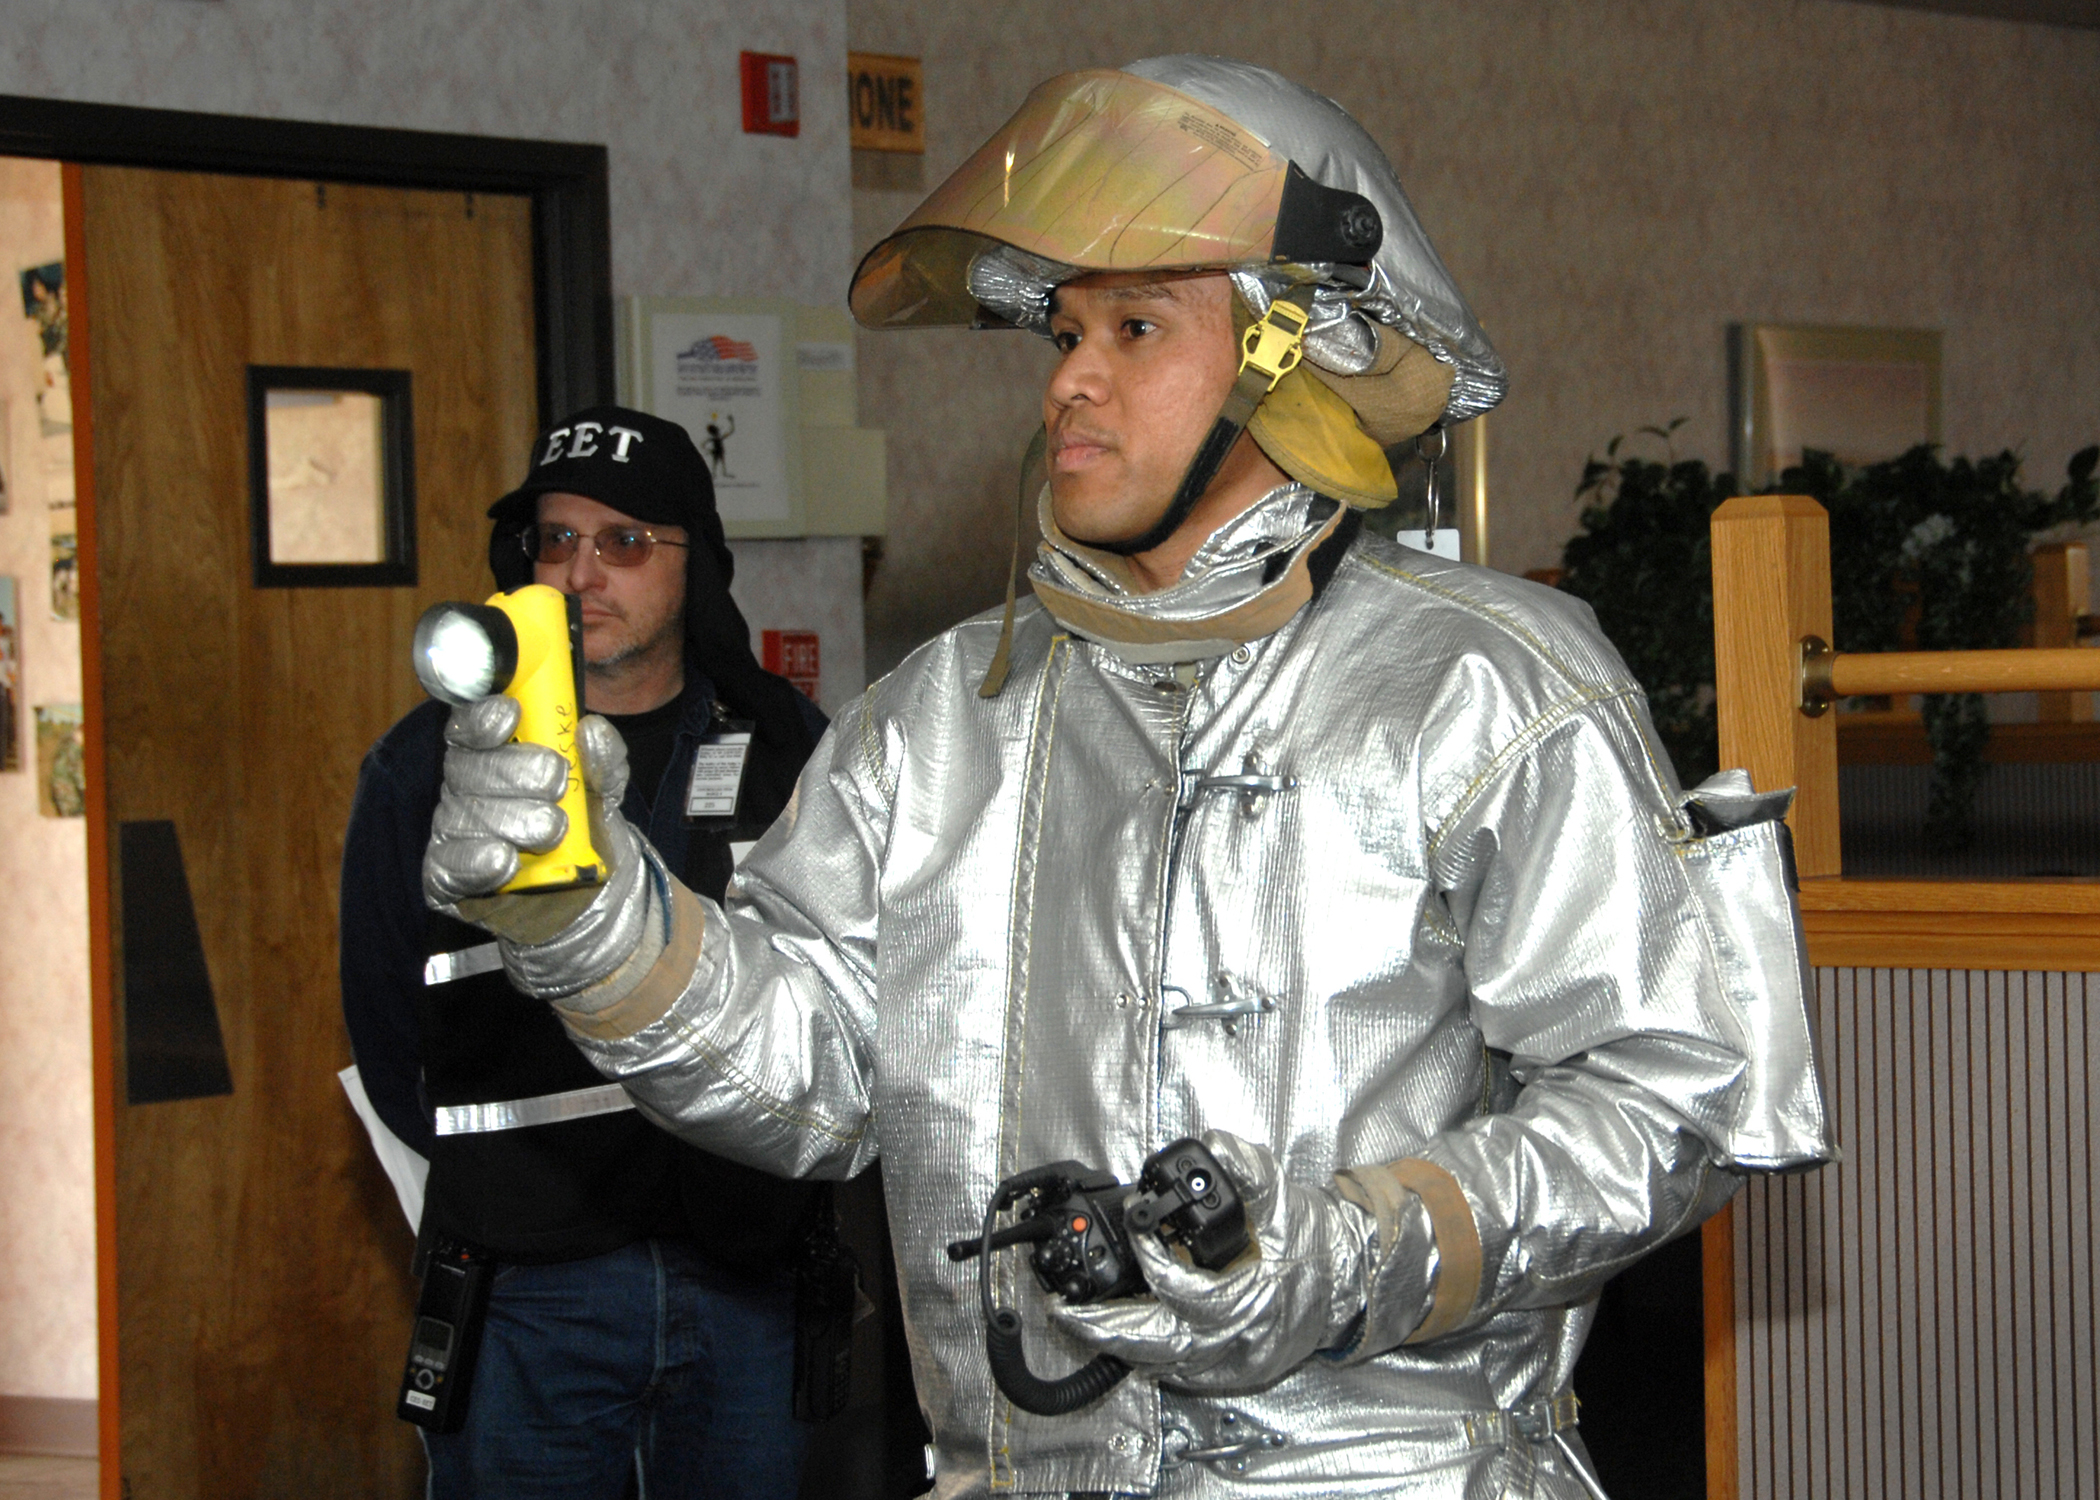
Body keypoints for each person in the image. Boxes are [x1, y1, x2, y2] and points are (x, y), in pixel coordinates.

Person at [420, 60, 1832, 1497]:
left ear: (1294, 351)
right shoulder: (938, 720)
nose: (1068, 382)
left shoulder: (1492, 684)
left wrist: (1350, 1251)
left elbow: (1673, 1096)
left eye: (1136, 327)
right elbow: (812, 1071)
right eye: (1065, 333)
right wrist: (592, 920)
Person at [340, 406, 827, 1498]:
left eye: (625, 541)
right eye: (557, 539)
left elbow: (850, 996)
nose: (581, 572)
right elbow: (386, 1038)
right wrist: (514, 1189)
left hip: (746, 1277)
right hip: (528, 1290)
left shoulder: (791, 752)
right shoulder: (430, 773)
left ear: (696, 564)